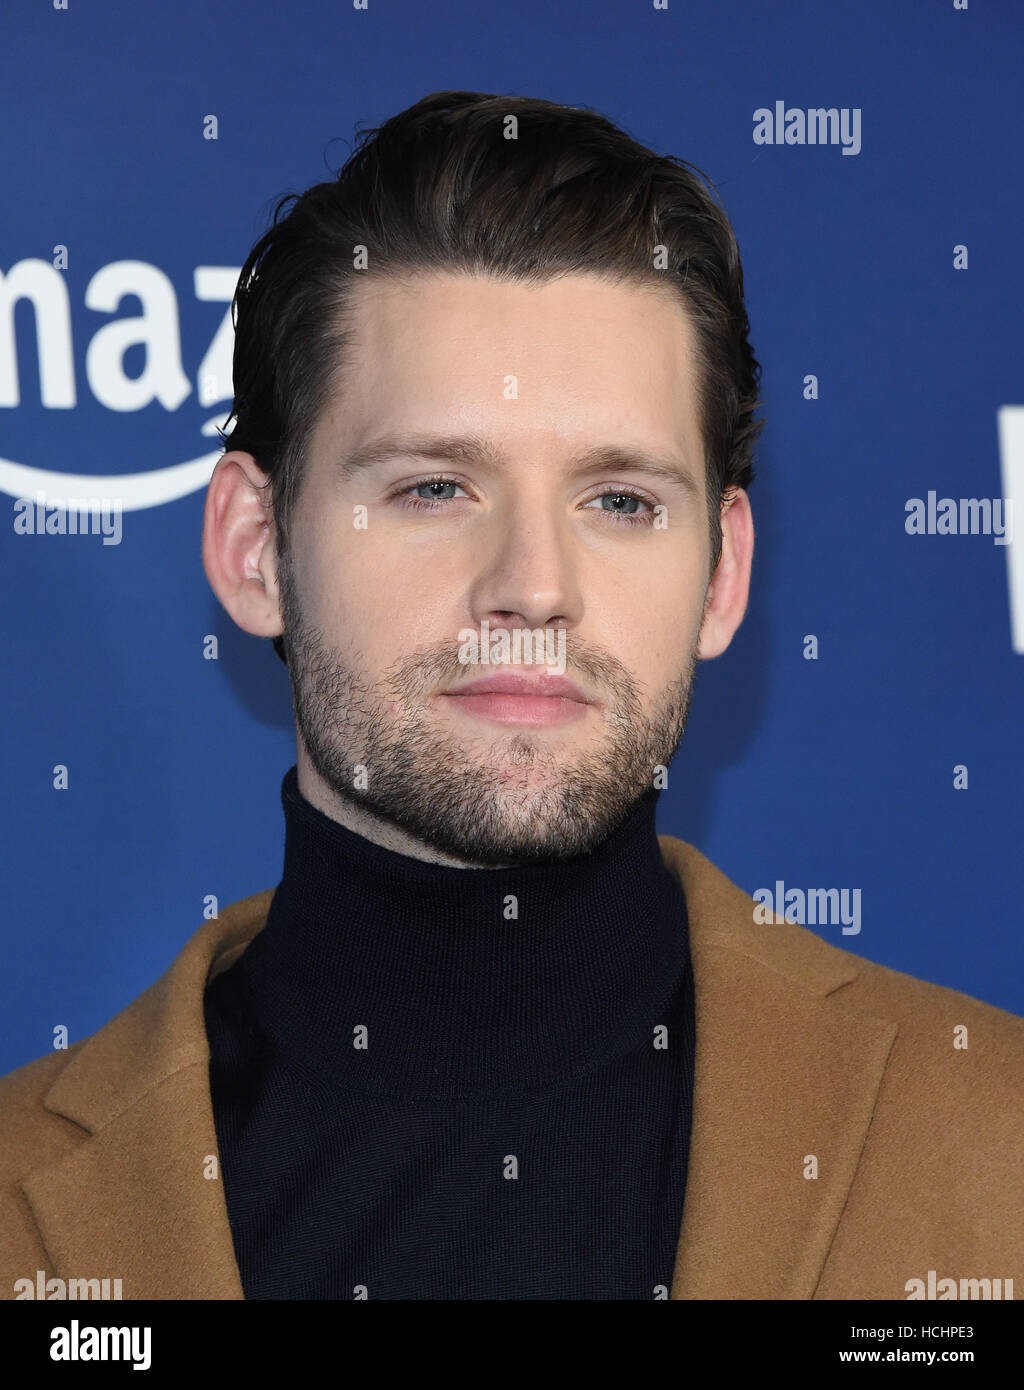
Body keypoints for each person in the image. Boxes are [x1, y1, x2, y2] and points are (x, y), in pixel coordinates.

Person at [2, 91, 1021, 1302]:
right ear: (254, 550)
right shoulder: (25, 1198)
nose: (534, 586)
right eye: (436, 487)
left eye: (621, 501)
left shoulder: (990, 1138)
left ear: (723, 572)